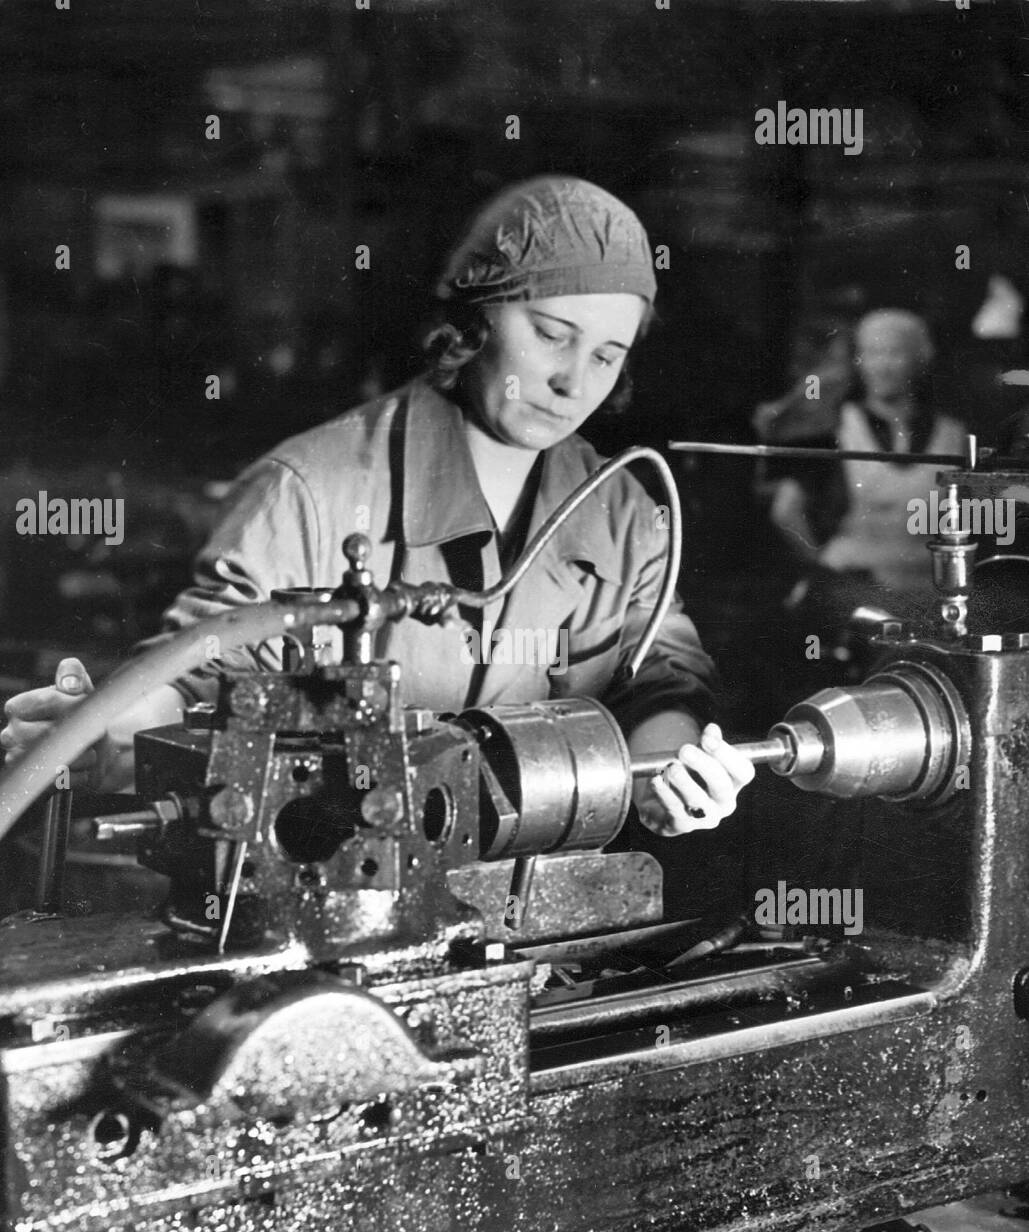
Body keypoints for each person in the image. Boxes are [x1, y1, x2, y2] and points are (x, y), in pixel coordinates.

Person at [2, 176, 753, 837]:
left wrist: (670, 773)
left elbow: (659, 675)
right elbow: (204, 681)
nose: (572, 381)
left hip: (538, 912)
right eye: (553, 334)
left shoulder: (622, 509)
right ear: (477, 319)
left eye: (606, 354)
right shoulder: (313, 486)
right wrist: (104, 739)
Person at [759, 308, 967, 630]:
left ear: (919, 360)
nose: (882, 366)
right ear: (859, 361)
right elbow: (785, 512)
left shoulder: (953, 434)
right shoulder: (836, 427)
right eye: (873, 354)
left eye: (895, 353)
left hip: (931, 596)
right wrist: (823, 564)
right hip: (856, 593)